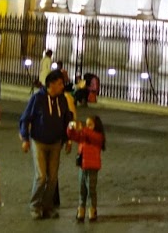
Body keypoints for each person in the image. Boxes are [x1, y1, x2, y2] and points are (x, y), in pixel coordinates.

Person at [19, 69, 75, 219]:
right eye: (60, 83)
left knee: (53, 178)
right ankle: (35, 205)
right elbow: (25, 119)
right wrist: (25, 139)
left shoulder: (62, 100)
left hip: (56, 143)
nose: (63, 86)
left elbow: (67, 120)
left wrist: (69, 139)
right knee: (41, 176)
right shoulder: (37, 99)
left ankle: (47, 206)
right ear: (51, 84)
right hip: (39, 142)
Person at [67, 114, 106, 223]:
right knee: (82, 189)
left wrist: (82, 128)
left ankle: (92, 209)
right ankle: (81, 209)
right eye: (86, 124)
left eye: (90, 124)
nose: (87, 126)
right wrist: (71, 127)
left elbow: (92, 136)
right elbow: (72, 136)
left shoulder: (98, 136)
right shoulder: (84, 135)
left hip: (92, 167)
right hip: (82, 166)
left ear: (96, 126)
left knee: (91, 189)